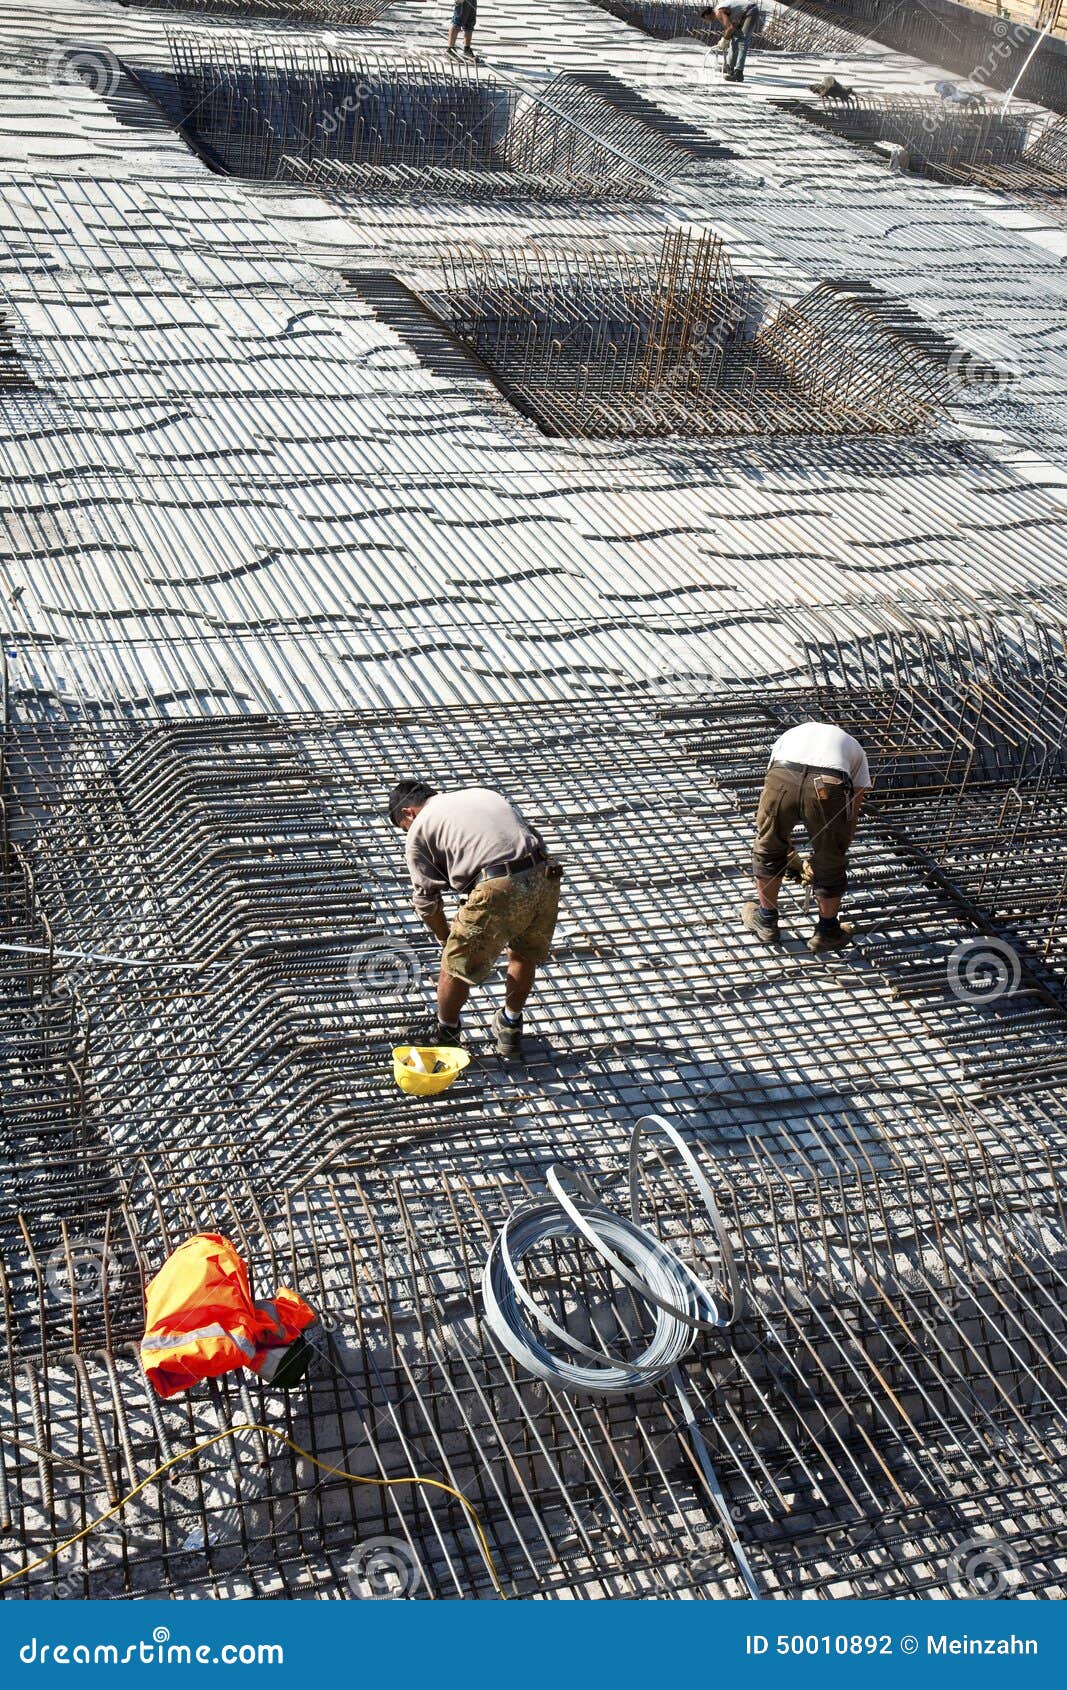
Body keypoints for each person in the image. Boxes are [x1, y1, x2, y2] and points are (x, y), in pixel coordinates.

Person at [387, 780, 561, 1059]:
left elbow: (427, 902)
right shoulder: (481, 793)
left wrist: (446, 940)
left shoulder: (419, 827)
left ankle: (447, 1035)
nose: (406, 833)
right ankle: (511, 1024)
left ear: (408, 813)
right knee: (523, 953)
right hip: (545, 875)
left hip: (497, 885)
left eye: (403, 827)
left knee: (454, 966)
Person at [744, 721, 871, 954]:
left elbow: (771, 787)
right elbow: (853, 810)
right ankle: (827, 931)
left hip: (782, 773)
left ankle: (766, 920)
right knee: (831, 858)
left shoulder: (791, 735)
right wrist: (828, 854)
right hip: (828, 784)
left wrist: (786, 851)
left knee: (768, 847)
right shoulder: (856, 750)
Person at [703, 5, 760, 82]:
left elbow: (730, 28)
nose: (707, 22)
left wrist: (724, 40)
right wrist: (727, 38)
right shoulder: (718, 10)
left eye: (705, 19)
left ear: (707, 15)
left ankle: (738, 73)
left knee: (742, 42)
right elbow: (732, 26)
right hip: (745, 13)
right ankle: (729, 67)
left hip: (751, 12)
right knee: (735, 38)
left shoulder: (718, 12)